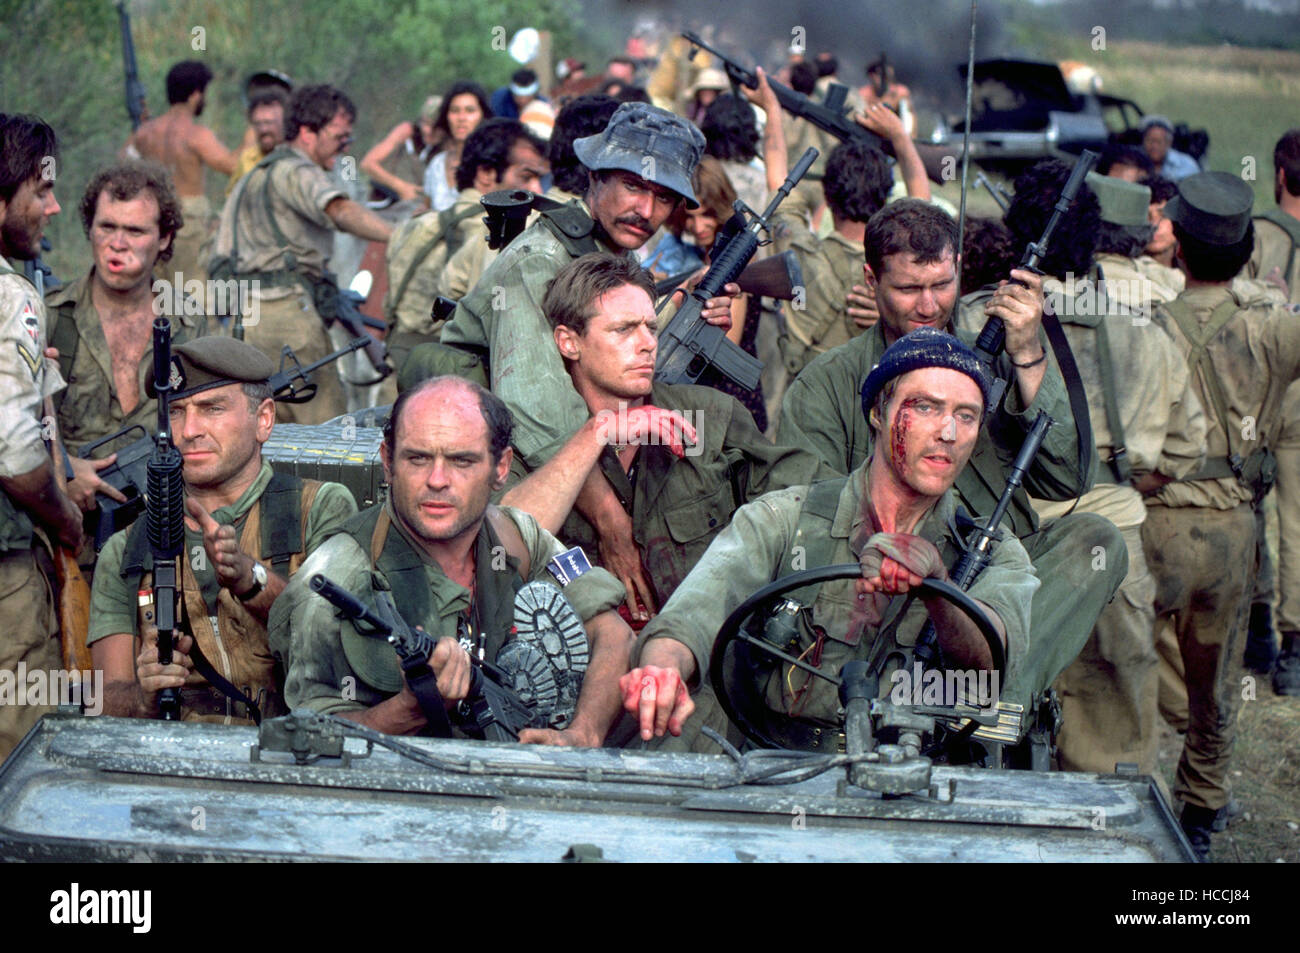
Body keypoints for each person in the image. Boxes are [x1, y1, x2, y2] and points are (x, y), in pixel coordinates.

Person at [778, 197, 1128, 722]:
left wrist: (1029, 354)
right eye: (907, 289)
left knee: (1097, 539)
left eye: (942, 286)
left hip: (994, 570)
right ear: (871, 279)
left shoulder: (994, 362)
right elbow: (806, 521)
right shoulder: (824, 386)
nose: (928, 306)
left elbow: (1066, 479)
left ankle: (987, 705)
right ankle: (968, 695)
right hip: (883, 583)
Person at [620, 328, 1036, 749]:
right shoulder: (786, 519)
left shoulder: (989, 552)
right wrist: (663, 667)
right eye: (926, 407)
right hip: (771, 759)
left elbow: (989, 667)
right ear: (878, 412)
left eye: (966, 416)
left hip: (907, 772)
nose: (948, 432)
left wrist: (939, 590)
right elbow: (693, 616)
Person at [436, 101, 736, 623]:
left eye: (663, 197)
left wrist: (684, 321)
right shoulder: (539, 260)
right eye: (633, 186)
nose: (646, 210)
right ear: (594, 177)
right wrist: (611, 524)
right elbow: (537, 404)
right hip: (498, 456)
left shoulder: (609, 252)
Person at [269, 376, 634, 746]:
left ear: (501, 468)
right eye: (418, 458)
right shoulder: (336, 578)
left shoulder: (518, 537)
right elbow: (310, 737)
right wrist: (414, 706)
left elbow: (613, 633)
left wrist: (584, 732)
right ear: (387, 461)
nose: (437, 480)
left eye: (462, 461)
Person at [501, 252, 825, 626]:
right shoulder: (534, 438)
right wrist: (598, 432)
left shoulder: (711, 417)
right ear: (569, 342)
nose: (647, 344)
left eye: (651, 328)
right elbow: (506, 549)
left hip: (703, 665)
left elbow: (814, 498)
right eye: (623, 329)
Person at [1025, 171, 1207, 781]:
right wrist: (1117, 482)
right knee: (1117, 734)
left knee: (998, 716)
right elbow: (1185, 450)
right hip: (1116, 543)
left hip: (1017, 542)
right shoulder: (1150, 329)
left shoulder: (991, 317)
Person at [1142, 172, 1300, 857]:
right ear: (1243, 253)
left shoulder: (1143, 319)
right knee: (1217, 683)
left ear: (1176, 245)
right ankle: (1201, 806)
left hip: (1149, 521)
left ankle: (1126, 788)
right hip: (1233, 529)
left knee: (1126, 670)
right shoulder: (1272, 326)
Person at [88, 336, 357, 724]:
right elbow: (104, 699)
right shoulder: (128, 548)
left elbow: (340, 652)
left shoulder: (318, 509)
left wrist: (252, 581)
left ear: (264, 419)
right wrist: (143, 695)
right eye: (176, 413)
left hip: (292, 754)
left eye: (211, 409)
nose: (189, 430)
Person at [210, 84, 394, 425]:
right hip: (289, 322)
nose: (344, 149)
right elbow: (340, 210)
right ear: (308, 133)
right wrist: (399, 236)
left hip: (241, 326)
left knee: (262, 433)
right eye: (340, 137)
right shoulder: (298, 171)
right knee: (328, 433)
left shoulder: (251, 177)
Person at [46, 162, 207, 530]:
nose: (117, 243)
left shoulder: (190, 324)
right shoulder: (50, 317)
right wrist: (64, 470)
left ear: (164, 238)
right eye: (107, 227)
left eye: (134, 230)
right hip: (71, 534)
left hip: (167, 533)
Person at [0, 113, 83, 761]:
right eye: (39, 190)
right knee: (25, 767)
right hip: (7, 584)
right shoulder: (14, 298)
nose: (52, 207)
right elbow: (18, 460)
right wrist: (65, 517)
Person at [384, 119, 547, 370]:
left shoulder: (412, 226)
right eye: (527, 177)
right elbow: (497, 324)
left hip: (397, 368)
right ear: (485, 174)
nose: (535, 189)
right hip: (451, 377)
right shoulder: (499, 232)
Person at [1245, 129, 1300, 695]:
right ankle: (1296, 652)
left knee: (1249, 509)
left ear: (1280, 176)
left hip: (1259, 393)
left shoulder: (1257, 233)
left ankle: (1258, 628)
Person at [124, 61, 237, 284]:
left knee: (157, 293)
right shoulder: (195, 134)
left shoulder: (146, 133)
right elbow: (233, 167)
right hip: (188, 222)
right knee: (194, 294)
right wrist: (252, 137)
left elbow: (124, 161)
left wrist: (140, 127)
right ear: (196, 95)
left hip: (153, 217)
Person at [360, 95, 443, 208]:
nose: (428, 131)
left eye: (436, 127)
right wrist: (402, 187)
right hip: (384, 199)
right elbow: (367, 164)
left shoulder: (448, 145)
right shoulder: (407, 131)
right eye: (426, 123)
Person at [422, 81, 491, 212]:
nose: (461, 118)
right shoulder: (437, 164)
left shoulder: (491, 166)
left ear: (483, 116)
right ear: (446, 116)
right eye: (455, 110)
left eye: (470, 111)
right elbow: (426, 207)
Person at [227, 86, 291, 195]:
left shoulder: (297, 158)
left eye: (269, 123)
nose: (263, 129)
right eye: (258, 123)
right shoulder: (247, 159)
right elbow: (232, 198)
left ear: (285, 122)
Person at [1139, 115, 1200, 182]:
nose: (1154, 146)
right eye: (1150, 141)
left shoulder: (1186, 164)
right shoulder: (1135, 161)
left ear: (1169, 143)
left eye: (1159, 142)